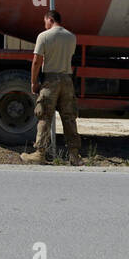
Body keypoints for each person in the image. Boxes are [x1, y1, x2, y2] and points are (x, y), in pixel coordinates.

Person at [21, 10, 84, 166]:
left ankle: (39, 153)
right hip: (67, 80)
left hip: (51, 80)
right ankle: (74, 155)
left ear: (50, 19)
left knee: (44, 117)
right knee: (69, 118)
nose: (45, 25)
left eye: (45, 22)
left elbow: (37, 61)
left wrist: (33, 82)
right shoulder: (71, 37)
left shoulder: (44, 36)